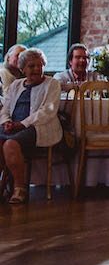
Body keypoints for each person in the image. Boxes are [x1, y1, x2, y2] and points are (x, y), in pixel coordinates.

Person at [0, 48, 63, 204]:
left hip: (39, 127)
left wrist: (22, 124)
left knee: (10, 144)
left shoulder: (52, 84)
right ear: (23, 69)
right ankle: (3, 184)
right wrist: (6, 122)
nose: (36, 69)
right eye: (31, 66)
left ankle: (19, 188)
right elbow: (6, 108)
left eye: (39, 65)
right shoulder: (16, 85)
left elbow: (47, 111)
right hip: (14, 125)